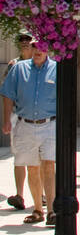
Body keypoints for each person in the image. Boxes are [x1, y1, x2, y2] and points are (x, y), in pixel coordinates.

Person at [0, 46, 57, 224]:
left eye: (42, 46)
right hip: (25, 124)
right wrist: (7, 120)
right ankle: (38, 209)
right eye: (34, 46)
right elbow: (8, 94)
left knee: (48, 165)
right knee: (32, 167)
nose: (38, 50)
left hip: (50, 124)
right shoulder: (19, 69)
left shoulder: (57, 69)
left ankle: (52, 211)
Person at [2, 32, 34, 210]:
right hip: (18, 116)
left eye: (28, 40)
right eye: (21, 40)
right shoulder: (13, 65)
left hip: (39, 118)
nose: (25, 43)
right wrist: (7, 119)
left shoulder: (41, 63)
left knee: (38, 159)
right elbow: (7, 92)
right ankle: (19, 195)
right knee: (19, 157)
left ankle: (41, 195)